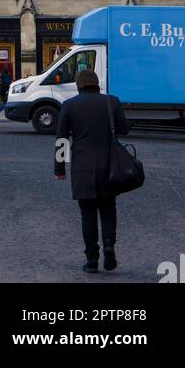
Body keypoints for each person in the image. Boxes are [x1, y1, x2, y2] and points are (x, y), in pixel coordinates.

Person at [55, 68, 130, 273]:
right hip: (109, 166)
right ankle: (109, 247)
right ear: (97, 84)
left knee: (87, 213)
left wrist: (59, 168)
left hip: (83, 169)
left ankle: (91, 260)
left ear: (79, 85)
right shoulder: (111, 102)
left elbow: (62, 140)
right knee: (108, 208)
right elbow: (124, 129)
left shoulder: (69, 106)